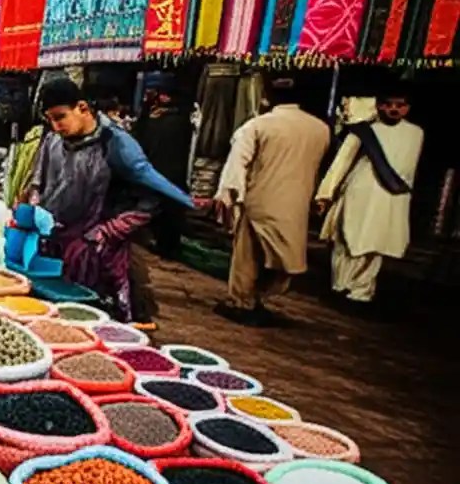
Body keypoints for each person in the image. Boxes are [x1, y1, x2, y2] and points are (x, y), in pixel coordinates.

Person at [27, 78, 193, 322]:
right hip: (52, 250)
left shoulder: (116, 144)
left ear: (82, 108)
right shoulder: (52, 141)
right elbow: (37, 183)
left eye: (60, 117)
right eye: (49, 119)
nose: (55, 126)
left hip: (99, 256)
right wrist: (32, 207)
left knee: (92, 320)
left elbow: (151, 201)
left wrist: (109, 231)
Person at [214, 77, 329, 327]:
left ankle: (242, 302)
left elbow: (237, 165)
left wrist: (230, 197)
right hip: (297, 204)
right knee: (284, 255)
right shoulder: (320, 129)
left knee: (247, 255)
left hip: (260, 199)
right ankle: (259, 296)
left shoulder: (257, 126)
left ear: (266, 97)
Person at [315, 88, 423, 314]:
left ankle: (362, 292)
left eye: (400, 105)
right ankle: (340, 285)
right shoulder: (364, 131)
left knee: (376, 245)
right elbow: (342, 162)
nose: (394, 109)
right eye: (389, 104)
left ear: (407, 108)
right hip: (360, 193)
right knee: (348, 241)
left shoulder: (415, 133)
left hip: (391, 199)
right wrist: (325, 194)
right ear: (380, 106)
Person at [133, 76, 194, 258]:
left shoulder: (169, 120)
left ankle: (166, 247)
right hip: (167, 173)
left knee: (165, 213)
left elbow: (142, 140)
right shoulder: (176, 118)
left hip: (163, 172)